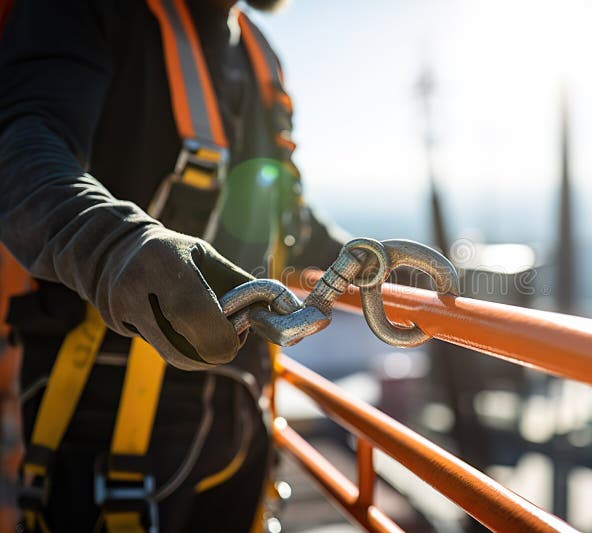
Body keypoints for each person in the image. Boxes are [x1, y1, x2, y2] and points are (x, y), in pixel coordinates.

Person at [0, 0, 347, 530]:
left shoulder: (260, 57)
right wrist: (114, 248)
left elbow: (281, 211)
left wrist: (357, 260)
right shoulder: (89, 13)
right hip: (103, 409)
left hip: (243, 409)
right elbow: (20, 152)